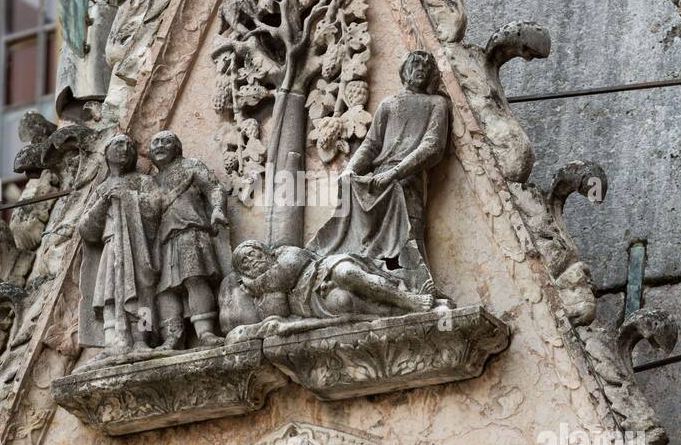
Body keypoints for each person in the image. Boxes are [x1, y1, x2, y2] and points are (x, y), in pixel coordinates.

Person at [311, 50, 449, 292]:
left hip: (407, 180)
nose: (420, 71)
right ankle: (373, 284)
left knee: (408, 233)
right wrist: (350, 170)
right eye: (416, 65)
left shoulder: (437, 104)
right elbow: (372, 145)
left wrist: (395, 173)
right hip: (377, 182)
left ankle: (419, 288)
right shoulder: (389, 104)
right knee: (370, 238)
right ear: (404, 70)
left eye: (426, 69)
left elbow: (433, 145)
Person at [227, 238, 445, 338]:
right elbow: (279, 312)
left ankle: (407, 299)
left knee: (347, 274)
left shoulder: (286, 253)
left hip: (323, 269)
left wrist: (254, 285)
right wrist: (262, 294)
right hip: (313, 299)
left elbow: (290, 270)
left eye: (252, 254)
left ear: (265, 251)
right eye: (244, 264)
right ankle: (400, 312)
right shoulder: (263, 296)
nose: (251, 262)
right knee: (342, 301)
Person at [145, 131, 231, 349]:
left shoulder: (191, 166)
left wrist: (218, 209)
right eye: (155, 142)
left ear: (177, 147)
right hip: (163, 243)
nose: (160, 145)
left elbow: (214, 187)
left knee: (195, 279)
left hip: (190, 233)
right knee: (164, 291)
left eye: (166, 141)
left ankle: (205, 333)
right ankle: (172, 337)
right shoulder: (151, 183)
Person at [78, 134, 157, 355]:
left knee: (143, 293)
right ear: (107, 153)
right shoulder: (101, 189)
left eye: (130, 146)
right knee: (110, 294)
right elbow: (85, 230)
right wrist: (103, 203)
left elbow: (155, 211)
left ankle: (142, 338)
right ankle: (111, 341)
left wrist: (129, 197)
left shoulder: (143, 181)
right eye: (119, 144)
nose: (125, 149)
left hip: (138, 247)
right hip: (112, 246)